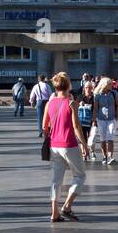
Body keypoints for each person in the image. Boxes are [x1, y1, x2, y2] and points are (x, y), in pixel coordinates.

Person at [42, 72, 88, 222]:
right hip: (69, 144)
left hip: (54, 145)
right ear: (68, 85)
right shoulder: (71, 103)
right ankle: (67, 206)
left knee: (56, 180)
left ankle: (54, 213)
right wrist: (84, 144)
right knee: (80, 175)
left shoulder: (50, 103)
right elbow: (76, 127)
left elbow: (44, 127)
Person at [92, 77, 118, 165]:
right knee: (103, 139)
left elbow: (117, 105)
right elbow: (96, 108)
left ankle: (111, 156)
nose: (112, 85)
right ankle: (104, 156)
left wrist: (116, 117)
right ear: (105, 85)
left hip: (111, 118)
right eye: (110, 84)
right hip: (101, 119)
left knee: (110, 137)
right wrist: (94, 119)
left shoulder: (114, 93)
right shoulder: (97, 95)